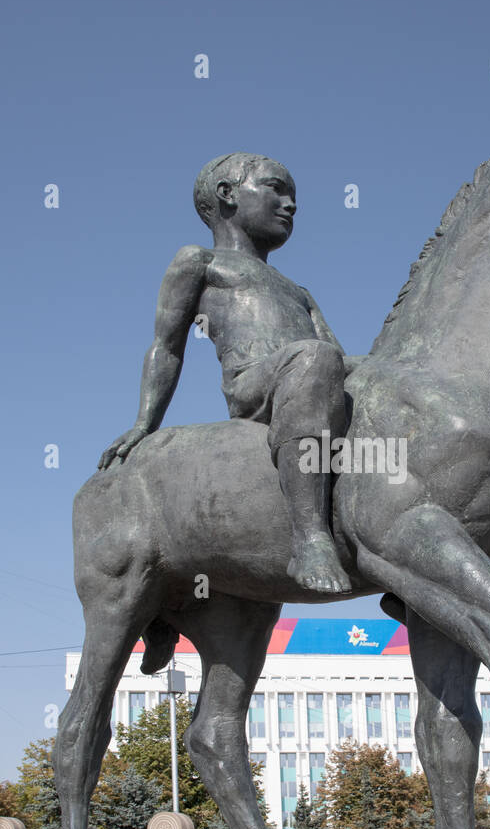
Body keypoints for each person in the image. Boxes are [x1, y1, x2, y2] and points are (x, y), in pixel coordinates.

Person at [98, 152, 352, 593]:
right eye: (277, 188)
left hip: (310, 379)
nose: (291, 204)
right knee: (313, 356)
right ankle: (309, 537)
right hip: (256, 385)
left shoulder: (300, 291)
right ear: (227, 194)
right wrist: (144, 423)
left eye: (294, 195)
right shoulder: (199, 262)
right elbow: (167, 346)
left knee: (374, 378)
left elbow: (339, 357)